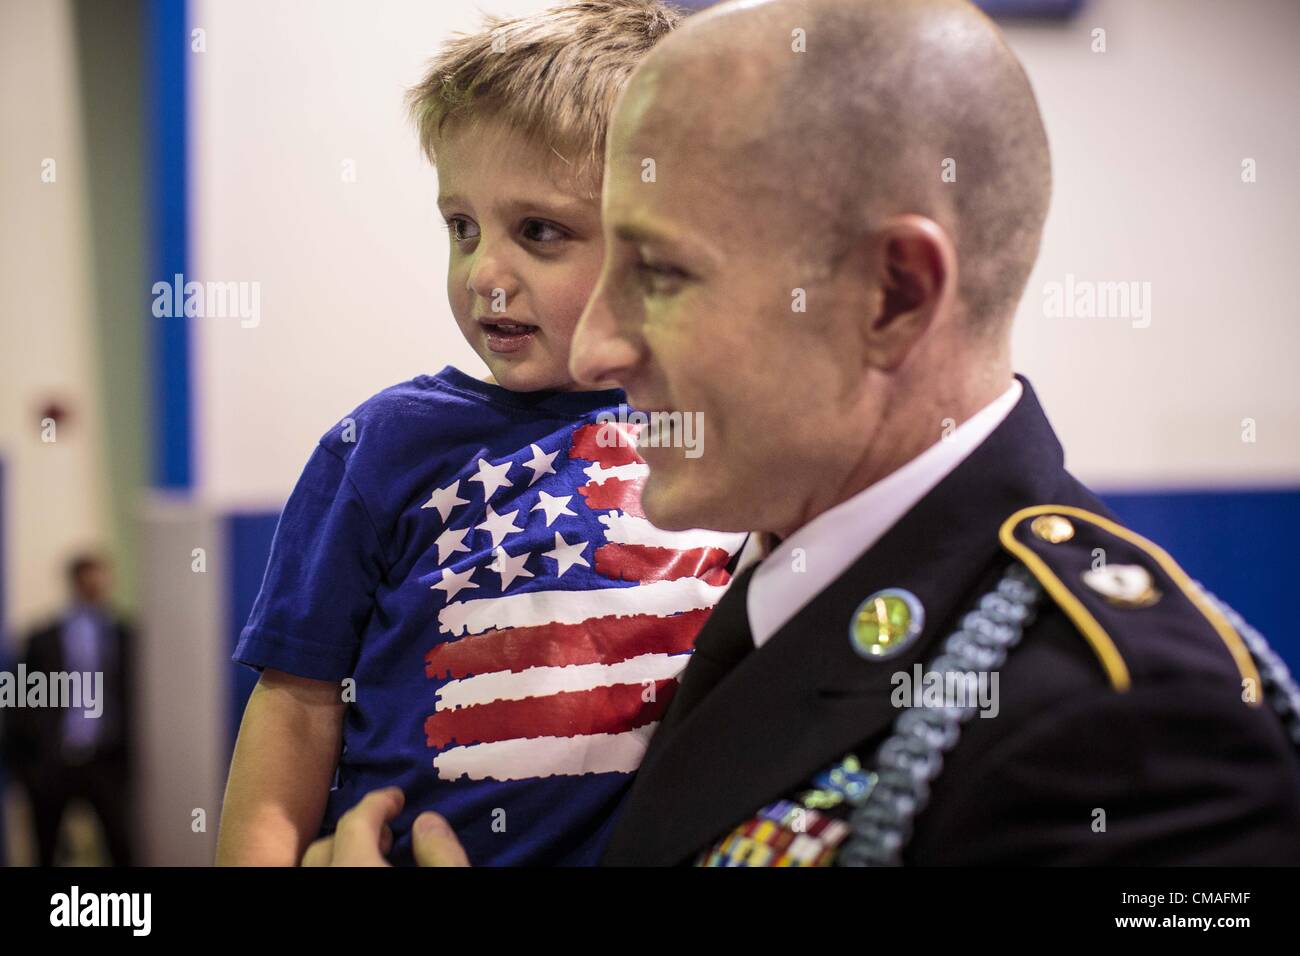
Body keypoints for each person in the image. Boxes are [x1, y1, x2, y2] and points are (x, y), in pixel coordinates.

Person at [313, 0, 1300, 867]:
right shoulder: (774, 568)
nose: (601, 348)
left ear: (892, 295)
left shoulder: (1124, 729)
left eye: (658, 272)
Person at [216, 0, 746, 867]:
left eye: (540, 232)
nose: (484, 273)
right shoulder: (384, 445)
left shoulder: (724, 440)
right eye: (460, 227)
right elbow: (294, 704)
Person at [3, 553, 136, 866]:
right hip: (53, 762)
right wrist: (24, 766)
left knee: (122, 845)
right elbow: (18, 699)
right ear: (75, 582)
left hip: (106, 760)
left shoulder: (124, 636)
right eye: (89, 578)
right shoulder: (43, 639)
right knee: (46, 848)